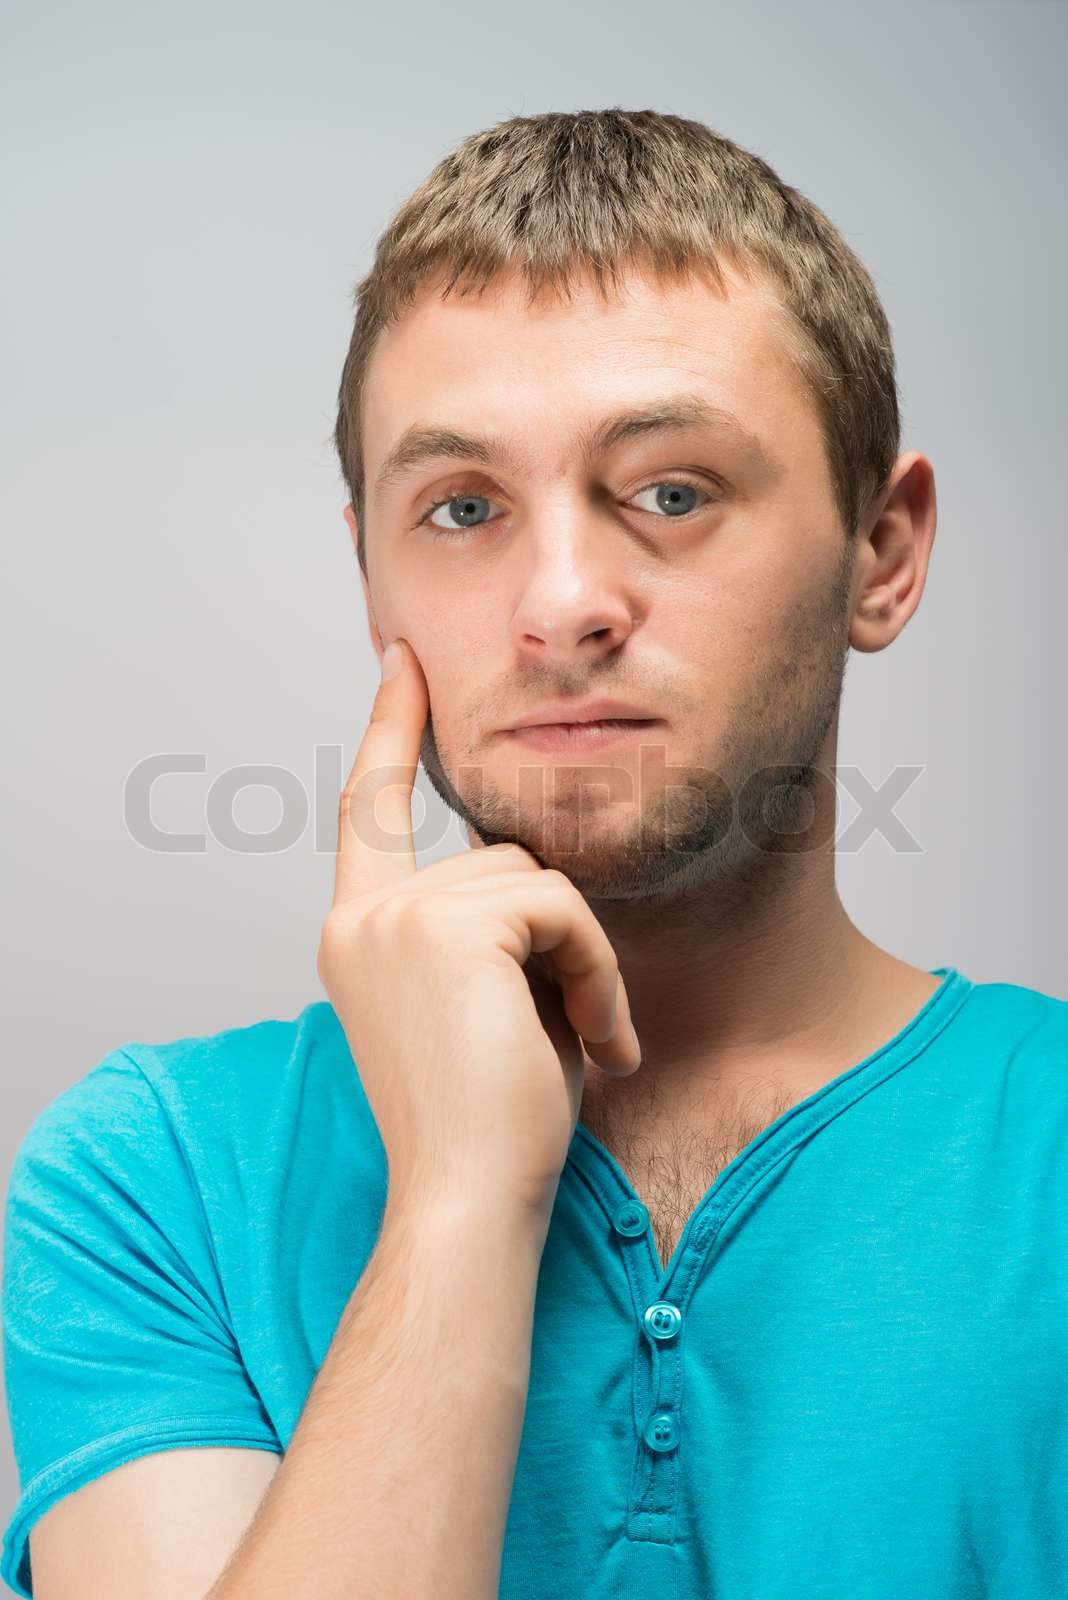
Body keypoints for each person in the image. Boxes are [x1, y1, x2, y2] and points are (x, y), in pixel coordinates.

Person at [3, 107, 1065, 1600]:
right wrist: (458, 1199)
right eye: (461, 509)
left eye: (674, 492)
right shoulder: (153, 1180)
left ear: (880, 555)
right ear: (369, 577)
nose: (561, 604)